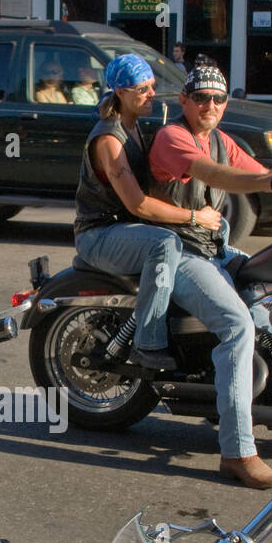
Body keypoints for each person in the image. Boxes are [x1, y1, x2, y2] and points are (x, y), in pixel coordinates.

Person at [148, 66, 272, 489]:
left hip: (214, 248)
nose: (210, 106)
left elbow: (254, 172)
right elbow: (220, 176)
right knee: (238, 326)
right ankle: (238, 452)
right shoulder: (173, 138)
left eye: (218, 100)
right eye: (201, 97)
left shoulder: (222, 141)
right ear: (184, 101)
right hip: (180, 252)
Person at [73, 53, 202, 372]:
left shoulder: (134, 127)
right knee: (164, 244)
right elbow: (137, 204)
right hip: (98, 234)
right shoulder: (109, 139)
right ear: (121, 92)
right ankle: (148, 343)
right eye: (142, 89)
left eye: (152, 86)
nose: (152, 94)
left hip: (125, 230)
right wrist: (193, 218)